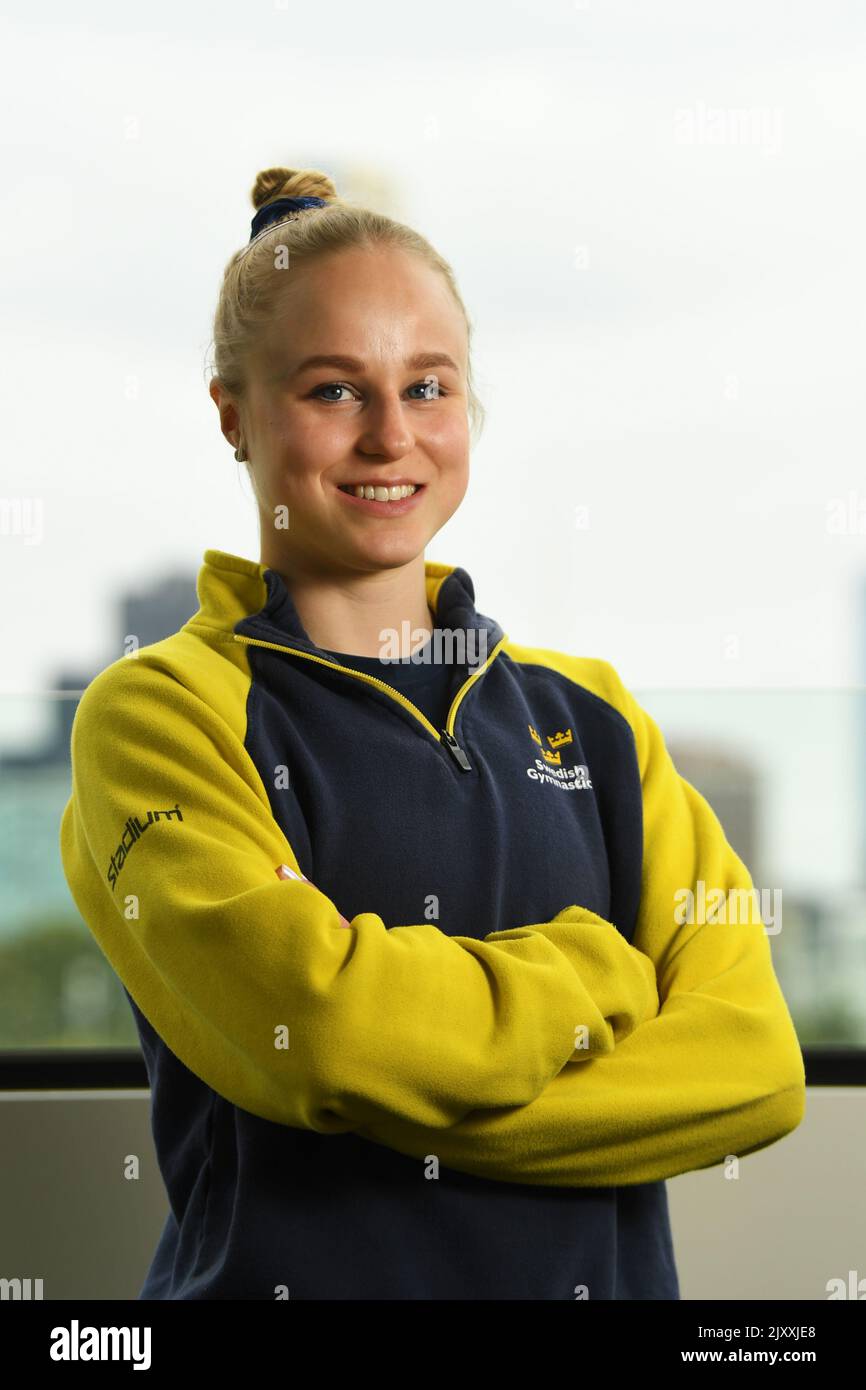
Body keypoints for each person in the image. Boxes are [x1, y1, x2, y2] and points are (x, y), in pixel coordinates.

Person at [59, 165, 806, 1301]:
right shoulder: (161, 712)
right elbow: (313, 1031)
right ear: (233, 413)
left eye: (427, 386)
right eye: (331, 391)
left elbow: (752, 1068)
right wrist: (589, 970)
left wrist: (396, 1099)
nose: (389, 437)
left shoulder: (590, 716)